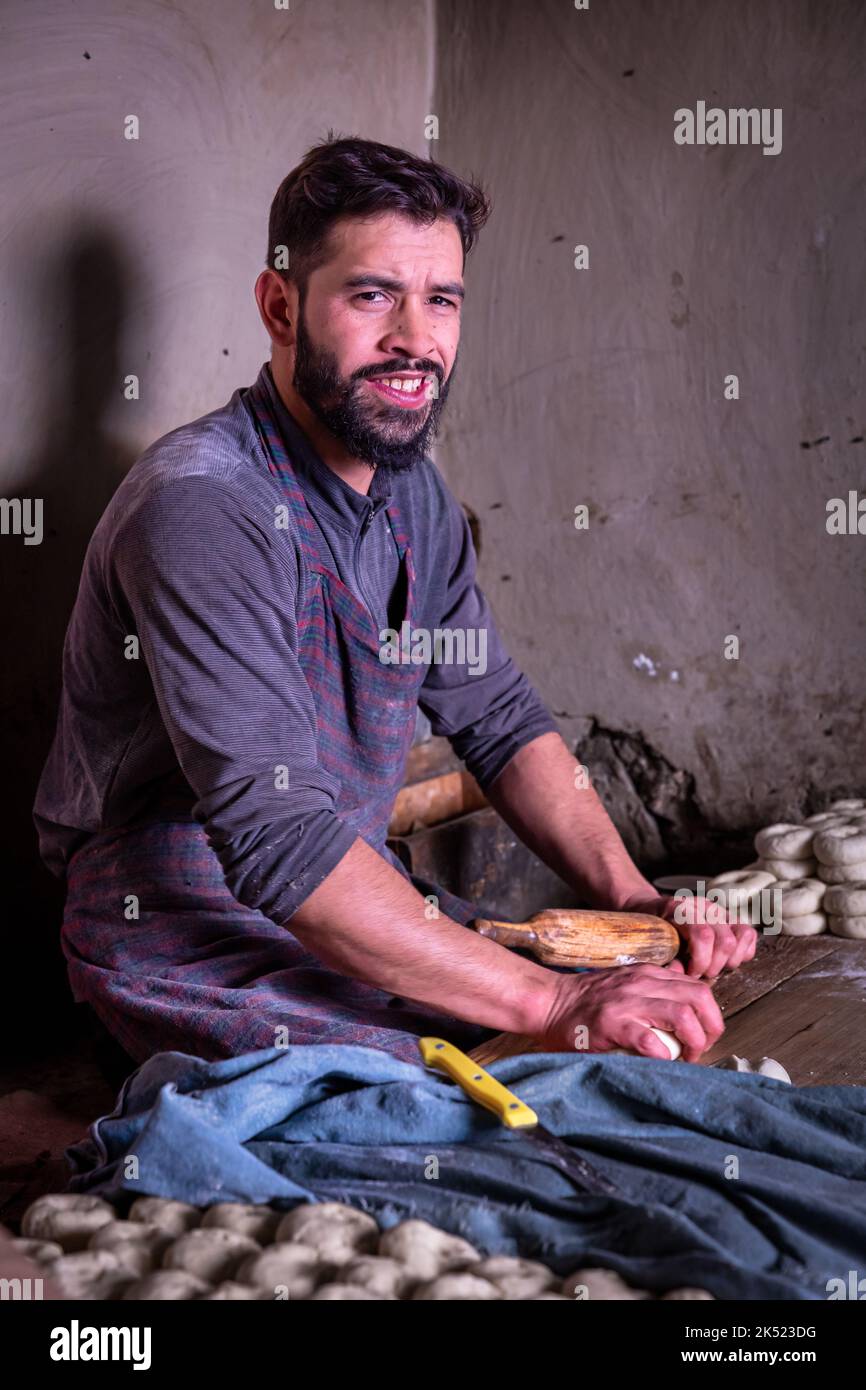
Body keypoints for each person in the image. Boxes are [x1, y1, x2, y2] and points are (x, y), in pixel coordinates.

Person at [33, 137, 750, 1068]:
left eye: (441, 300)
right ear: (280, 306)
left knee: (571, 1037)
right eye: (373, 295)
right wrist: (561, 998)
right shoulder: (203, 504)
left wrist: (633, 896)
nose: (417, 338)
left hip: (347, 889)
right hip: (175, 913)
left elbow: (494, 717)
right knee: (462, 1084)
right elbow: (278, 837)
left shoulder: (412, 493)